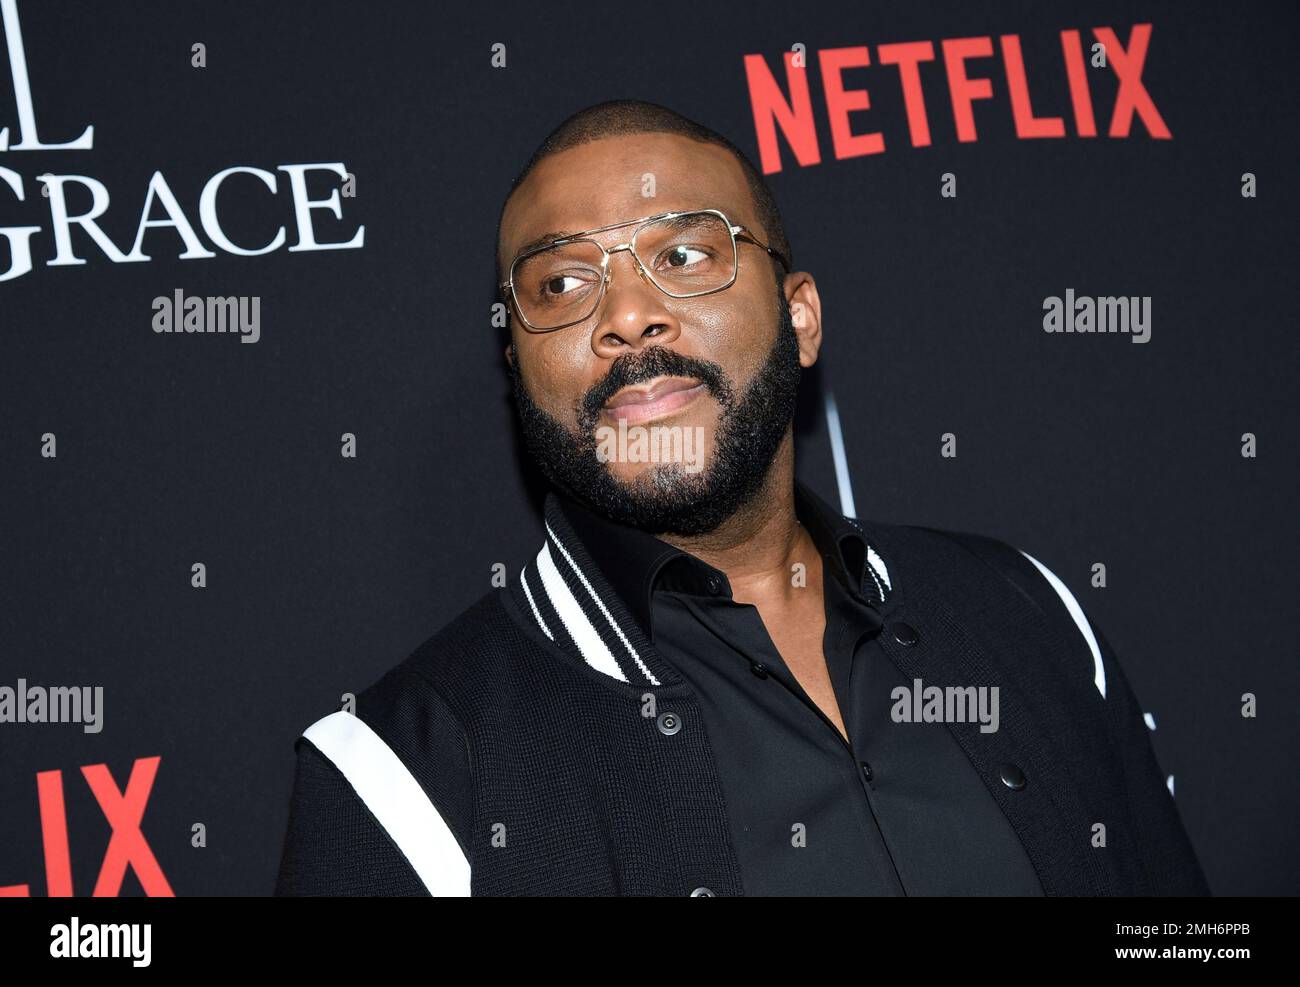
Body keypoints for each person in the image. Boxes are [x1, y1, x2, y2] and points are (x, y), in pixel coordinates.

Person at [274, 99, 1209, 896]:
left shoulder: (1025, 611)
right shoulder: (402, 773)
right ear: (517, 365)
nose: (628, 314)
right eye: (561, 282)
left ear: (800, 316)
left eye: (683, 255)